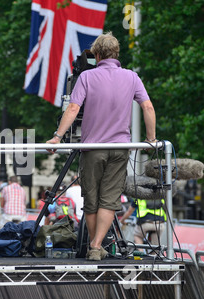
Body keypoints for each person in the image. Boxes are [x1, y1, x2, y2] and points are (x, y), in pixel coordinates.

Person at [46, 32, 157, 261]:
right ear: (116, 54)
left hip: (92, 148)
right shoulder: (132, 77)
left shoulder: (87, 77)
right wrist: (151, 138)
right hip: (120, 149)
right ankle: (96, 245)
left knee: (92, 199)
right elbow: (147, 107)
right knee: (109, 199)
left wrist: (57, 137)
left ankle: (95, 244)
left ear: (96, 55)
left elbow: (74, 109)